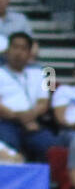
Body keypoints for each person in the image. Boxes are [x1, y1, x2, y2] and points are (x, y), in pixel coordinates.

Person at [0, 33, 56, 161]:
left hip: (33, 121)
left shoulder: (39, 73)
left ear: (29, 53)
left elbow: (43, 103)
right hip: (6, 122)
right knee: (9, 147)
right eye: (15, 47)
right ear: (7, 51)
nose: (18, 52)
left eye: (23, 48)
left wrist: (29, 116)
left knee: (50, 147)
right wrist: (20, 117)